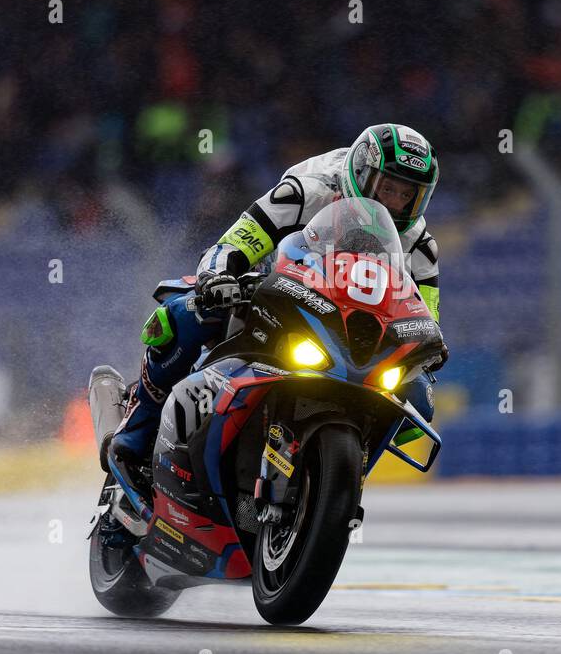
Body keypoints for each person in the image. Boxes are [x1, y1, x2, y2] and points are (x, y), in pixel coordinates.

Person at [102, 123, 448, 495]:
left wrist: (427, 351)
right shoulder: (307, 189)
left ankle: (344, 479)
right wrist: (218, 276)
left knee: (418, 397)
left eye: (406, 194)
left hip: (347, 327)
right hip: (276, 288)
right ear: (361, 174)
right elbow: (236, 241)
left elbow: (423, 315)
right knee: (184, 315)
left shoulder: (420, 247)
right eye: (388, 186)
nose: (394, 201)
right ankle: (133, 435)